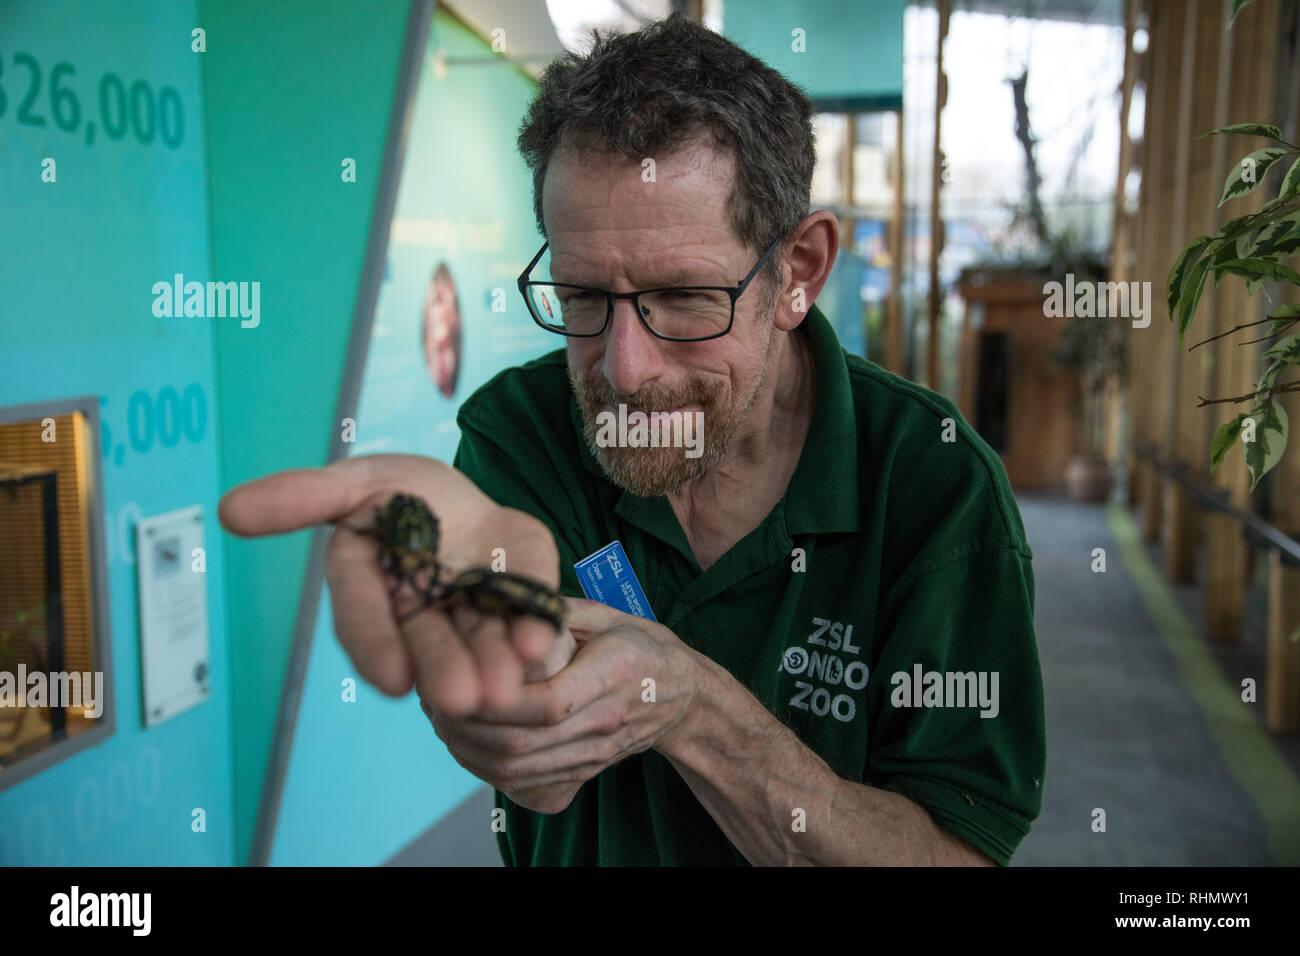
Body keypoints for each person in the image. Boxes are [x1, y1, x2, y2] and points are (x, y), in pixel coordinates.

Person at [220, 13, 1044, 866]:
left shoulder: (935, 485)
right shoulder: (519, 434)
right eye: (582, 298)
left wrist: (691, 706)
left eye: (684, 297)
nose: (624, 370)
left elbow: (959, 854)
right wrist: (486, 625)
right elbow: (533, 770)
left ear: (799, 273)